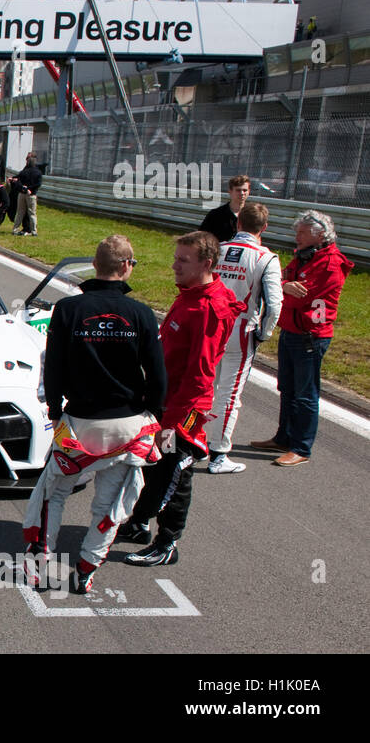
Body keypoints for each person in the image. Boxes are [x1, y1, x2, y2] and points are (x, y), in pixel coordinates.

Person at [22, 235, 166, 594]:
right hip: (128, 425)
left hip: (79, 422)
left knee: (53, 492)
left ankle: (39, 563)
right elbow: (159, 374)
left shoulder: (68, 310)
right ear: (126, 266)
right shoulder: (142, 314)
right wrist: (154, 413)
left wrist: (55, 410)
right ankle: (85, 569)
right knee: (110, 501)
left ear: (96, 266)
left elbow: (52, 367)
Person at [118, 231, 244, 567]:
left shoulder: (208, 308)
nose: (174, 265)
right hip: (166, 400)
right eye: (175, 258)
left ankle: (168, 542)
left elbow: (200, 373)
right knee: (155, 463)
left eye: (182, 260)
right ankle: (139, 523)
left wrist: (174, 420)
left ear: (206, 263)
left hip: (184, 409)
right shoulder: (190, 294)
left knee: (175, 468)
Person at [250, 210, 353, 467]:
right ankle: (283, 437)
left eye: (302, 233)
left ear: (319, 235)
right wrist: (282, 285)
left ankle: (301, 447)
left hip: (310, 336)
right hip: (291, 331)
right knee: (287, 388)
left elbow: (302, 296)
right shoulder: (304, 258)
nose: (297, 237)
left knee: (305, 394)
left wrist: (281, 287)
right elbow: (280, 281)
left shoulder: (330, 263)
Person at [204, 203, 282, 473]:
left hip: (209, 327)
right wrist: (265, 333)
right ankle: (218, 455)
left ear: (238, 223)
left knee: (204, 386)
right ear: (264, 228)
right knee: (229, 394)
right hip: (239, 331)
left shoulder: (218, 249)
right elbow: (274, 304)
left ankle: (195, 443)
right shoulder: (266, 257)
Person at [199, 174, 250, 244]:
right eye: (238, 190)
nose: (242, 193)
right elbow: (201, 237)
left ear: (249, 191)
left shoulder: (251, 215)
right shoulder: (216, 214)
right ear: (230, 191)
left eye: (245, 190)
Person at [12, 155, 42, 236]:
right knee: (32, 213)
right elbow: (38, 184)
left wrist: (23, 188)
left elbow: (18, 181)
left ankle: (15, 229)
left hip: (22, 193)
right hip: (31, 194)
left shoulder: (24, 172)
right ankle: (34, 231)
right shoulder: (38, 172)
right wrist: (30, 189)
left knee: (20, 212)